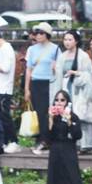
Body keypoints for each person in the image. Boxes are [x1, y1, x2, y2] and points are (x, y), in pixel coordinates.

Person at [52, 30, 92, 152]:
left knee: (81, 116)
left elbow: (89, 75)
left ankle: (87, 144)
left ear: (76, 41)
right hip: (66, 89)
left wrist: (76, 73)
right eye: (65, 39)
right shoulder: (62, 56)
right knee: (68, 115)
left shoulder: (83, 56)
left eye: (70, 39)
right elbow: (58, 75)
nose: (67, 42)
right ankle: (72, 141)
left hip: (80, 91)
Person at [43, 90, 85, 184]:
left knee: (73, 175)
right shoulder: (51, 116)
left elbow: (77, 135)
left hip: (68, 148)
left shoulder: (72, 115)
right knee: (56, 177)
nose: (59, 103)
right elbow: (46, 138)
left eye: (62, 100)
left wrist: (69, 121)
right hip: (55, 149)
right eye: (57, 100)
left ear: (67, 102)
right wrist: (51, 119)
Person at [24, 23, 60, 154]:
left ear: (47, 35)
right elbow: (28, 70)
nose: (38, 35)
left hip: (49, 82)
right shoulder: (32, 49)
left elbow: (60, 68)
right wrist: (26, 89)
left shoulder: (55, 49)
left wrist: (55, 68)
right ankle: (39, 139)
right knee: (37, 112)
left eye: (41, 33)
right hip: (36, 82)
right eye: (36, 33)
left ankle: (47, 140)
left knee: (47, 112)